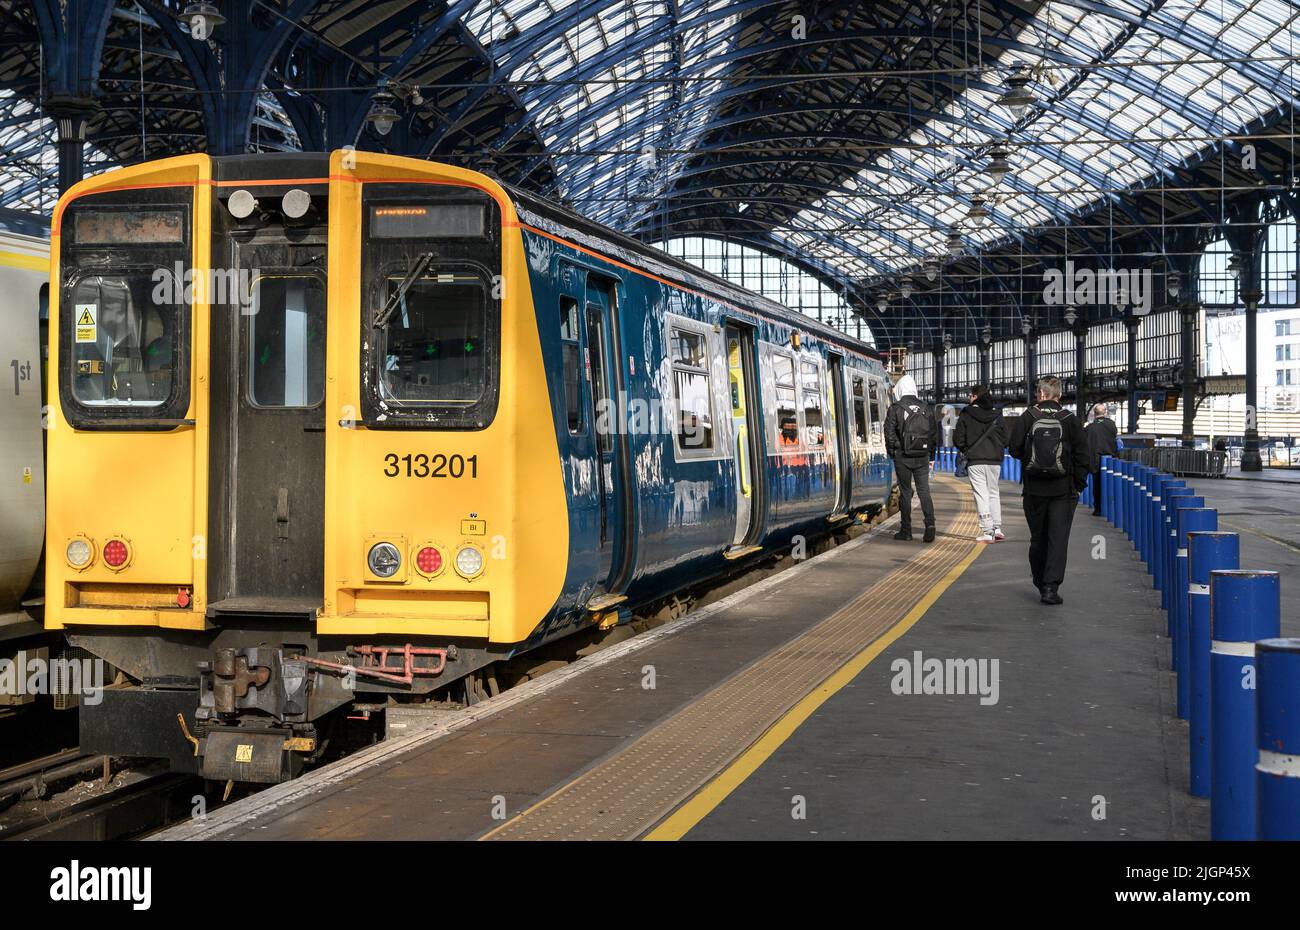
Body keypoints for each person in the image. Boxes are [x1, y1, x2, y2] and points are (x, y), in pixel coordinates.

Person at [1008, 376, 1090, 605]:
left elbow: (1013, 449)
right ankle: (1050, 588)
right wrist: (1078, 485)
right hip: (1063, 490)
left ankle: (1039, 579)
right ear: (1059, 395)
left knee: (1038, 538)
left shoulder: (1028, 417)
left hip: (1034, 489)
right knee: (1058, 539)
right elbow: (1084, 456)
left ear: (1041, 394)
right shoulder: (1070, 420)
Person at [884, 374, 939, 543]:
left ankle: (906, 530)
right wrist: (930, 455)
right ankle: (930, 526)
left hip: (903, 457)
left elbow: (889, 433)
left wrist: (893, 452)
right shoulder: (926, 408)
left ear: (900, 389)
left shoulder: (896, 408)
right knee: (924, 491)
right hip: (922, 457)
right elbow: (933, 435)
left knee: (906, 493)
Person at [953, 385, 1007, 543]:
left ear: (975, 397)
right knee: (993, 493)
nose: (969, 399)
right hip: (995, 461)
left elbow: (958, 439)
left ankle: (987, 531)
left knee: (981, 495)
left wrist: (966, 449)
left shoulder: (966, 414)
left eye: (971, 396)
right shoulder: (997, 414)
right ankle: (997, 528)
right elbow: (1006, 439)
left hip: (975, 461)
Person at [1084, 403, 1118, 517]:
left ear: (1094, 413)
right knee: (1112, 484)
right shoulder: (1112, 425)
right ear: (1106, 413)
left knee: (1097, 485)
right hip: (1111, 460)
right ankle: (1111, 508)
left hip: (1096, 460)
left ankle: (1098, 508)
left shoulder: (1089, 428)